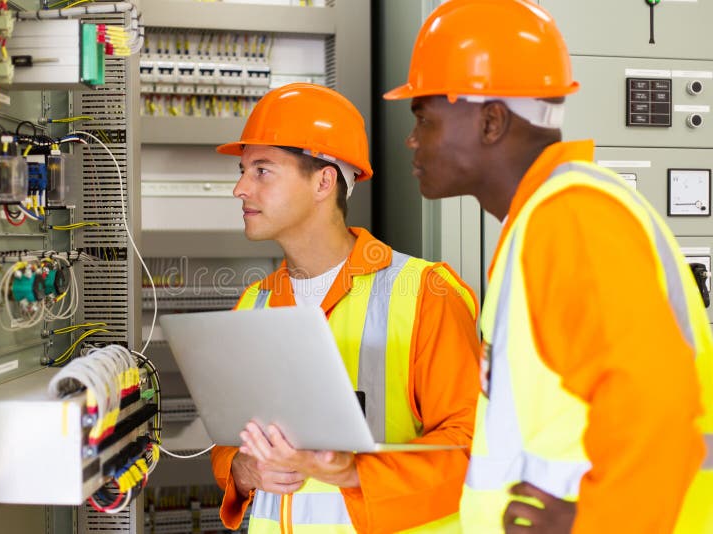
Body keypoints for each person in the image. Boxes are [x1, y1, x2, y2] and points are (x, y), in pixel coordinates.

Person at [384, 1, 713, 533]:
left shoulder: (571, 219)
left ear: (491, 120)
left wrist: (597, 525)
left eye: (425, 118)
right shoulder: (540, 222)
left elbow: (659, 410)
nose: (413, 139)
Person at [208, 82, 482, 533]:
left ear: (323, 181)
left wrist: (355, 473)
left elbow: (471, 449)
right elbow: (231, 440)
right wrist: (241, 471)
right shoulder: (253, 304)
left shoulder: (426, 293)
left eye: (262, 171)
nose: (240, 188)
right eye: (242, 170)